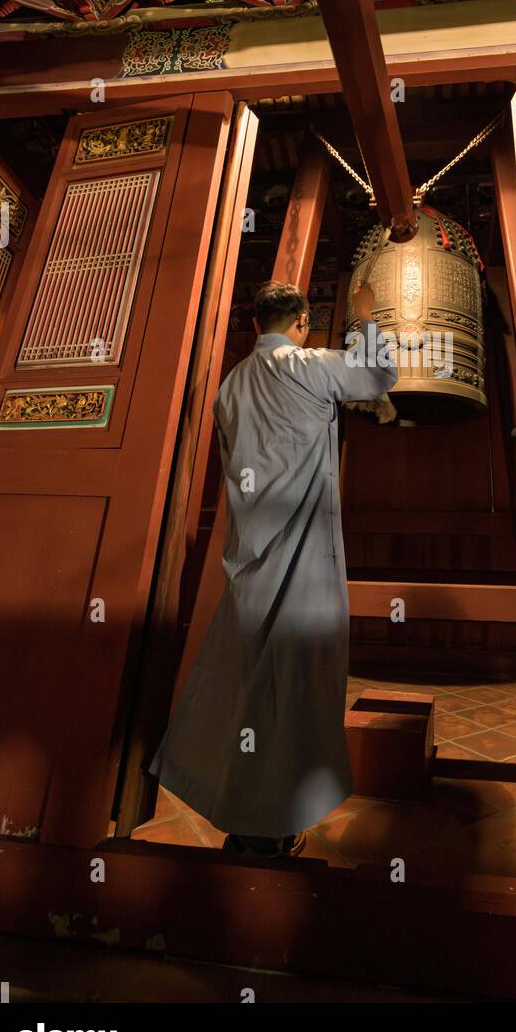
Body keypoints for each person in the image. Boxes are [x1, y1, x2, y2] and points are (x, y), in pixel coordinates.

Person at [147, 278, 398, 860]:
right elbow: (377, 373)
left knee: (245, 682)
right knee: (295, 687)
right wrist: (365, 315)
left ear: (257, 325)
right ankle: (270, 827)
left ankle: (244, 817)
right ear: (302, 322)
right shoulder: (307, 366)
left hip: (251, 553)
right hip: (303, 551)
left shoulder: (231, 385)